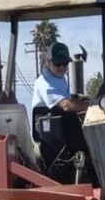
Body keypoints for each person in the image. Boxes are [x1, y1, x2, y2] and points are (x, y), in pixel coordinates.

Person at [29, 40, 87, 181]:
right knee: (73, 119)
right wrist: (92, 106)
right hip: (52, 140)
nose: (62, 67)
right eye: (57, 64)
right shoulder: (44, 82)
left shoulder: (60, 79)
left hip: (62, 132)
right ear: (47, 62)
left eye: (65, 63)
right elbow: (66, 105)